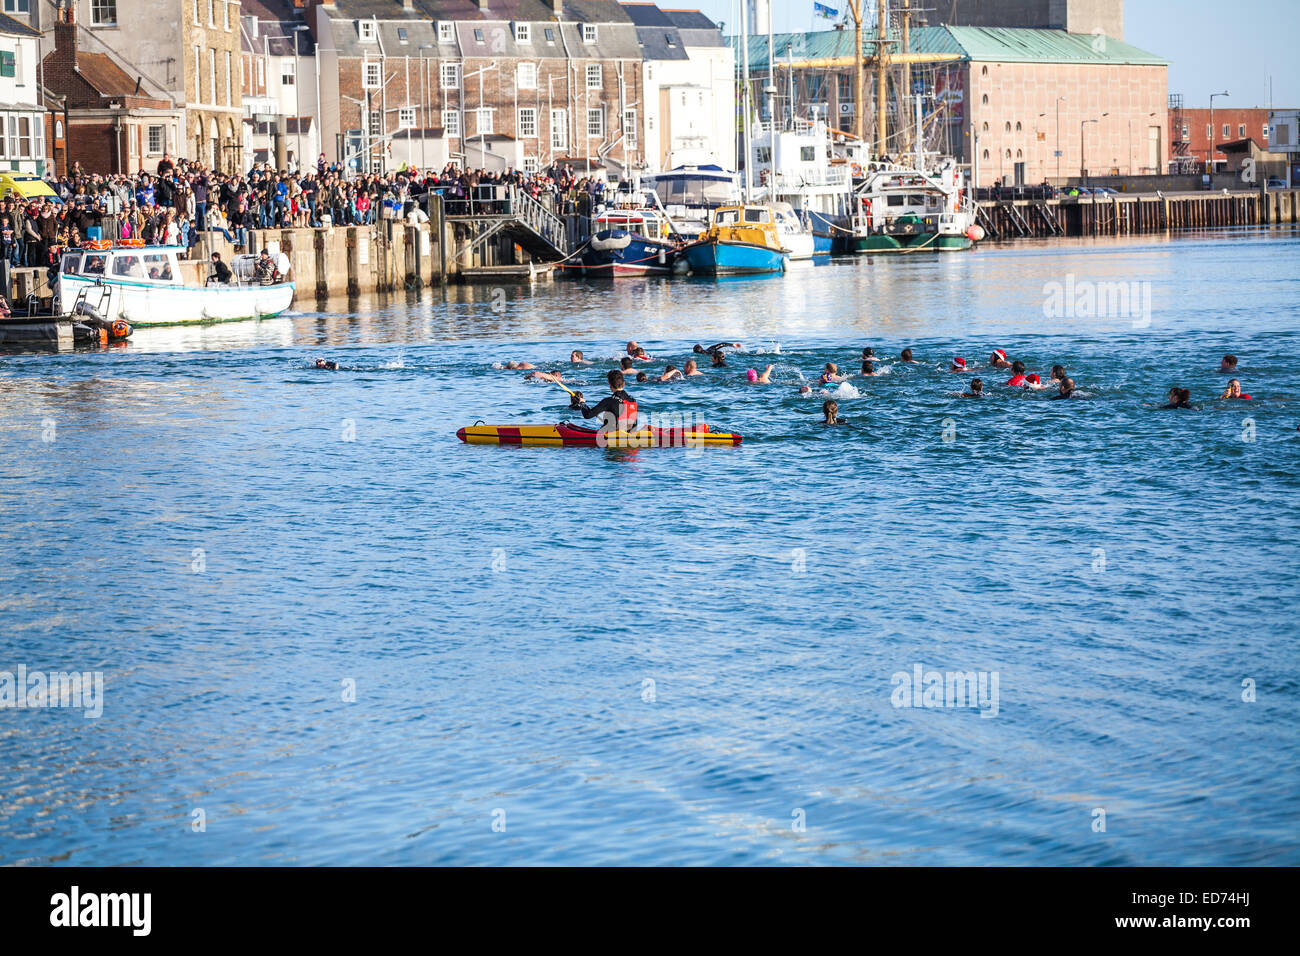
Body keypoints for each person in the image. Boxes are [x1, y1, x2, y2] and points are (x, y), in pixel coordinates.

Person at [570, 369, 639, 431]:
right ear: (623, 384)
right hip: (629, 433)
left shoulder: (609, 401)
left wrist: (582, 404)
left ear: (610, 386)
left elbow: (587, 415)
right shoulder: (633, 400)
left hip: (612, 436)